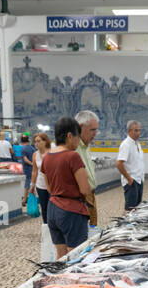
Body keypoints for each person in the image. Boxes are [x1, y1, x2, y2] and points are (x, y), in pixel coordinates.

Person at [40, 116, 94, 260]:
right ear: (69, 136)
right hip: (71, 211)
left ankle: (60, 281)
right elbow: (85, 189)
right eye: (78, 137)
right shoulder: (72, 157)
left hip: (53, 209)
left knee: (61, 256)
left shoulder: (47, 157)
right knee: (76, 256)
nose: (78, 141)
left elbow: (49, 188)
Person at [75, 110, 100, 227]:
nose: (95, 133)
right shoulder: (74, 148)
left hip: (91, 196)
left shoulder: (86, 145)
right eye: (92, 130)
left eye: (96, 129)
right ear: (80, 127)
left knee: (92, 228)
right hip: (81, 198)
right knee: (82, 232)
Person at [22, 131, 51, 220]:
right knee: (44, 208)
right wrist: (32, 185)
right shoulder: (35, 154)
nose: (36, 144)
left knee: (52, 208)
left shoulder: (51, 153)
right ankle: (45, 226)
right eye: (35, 141)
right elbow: (35, 171)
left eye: (39, 141)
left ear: (45, 141)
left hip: (51, 185)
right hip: (40, 185)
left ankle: (54, 227)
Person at [116, 119, 145, 211]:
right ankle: (125, 225)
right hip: (132, 181)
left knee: (136, 208)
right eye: (136, 130)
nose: (138, 133)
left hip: (139, 180)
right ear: (129, 131)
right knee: (130, 209)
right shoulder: (126, 144)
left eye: (139, 130)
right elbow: (119, 163)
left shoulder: (137, 144)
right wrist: (129, 178)